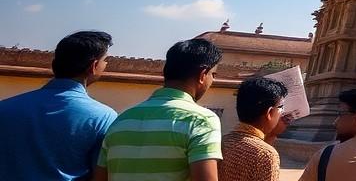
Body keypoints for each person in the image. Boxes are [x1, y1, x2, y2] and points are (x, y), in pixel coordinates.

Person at [97, 38, 223, 181]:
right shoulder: (201, 120)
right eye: (213, 75)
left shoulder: (121, 119)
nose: (212, 81)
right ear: (202, 75)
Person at [0, 30, 118, 181]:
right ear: (94, 66)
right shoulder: (102, 117)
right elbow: (100, 175)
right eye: (105, 60)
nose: (106, 65)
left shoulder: (5, 108)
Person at [221, 77, 287, 181]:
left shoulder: (222, 142)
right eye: (281, 107)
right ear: (269, 112)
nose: (283, 112)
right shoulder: (266, 155)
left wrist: (271, 135)